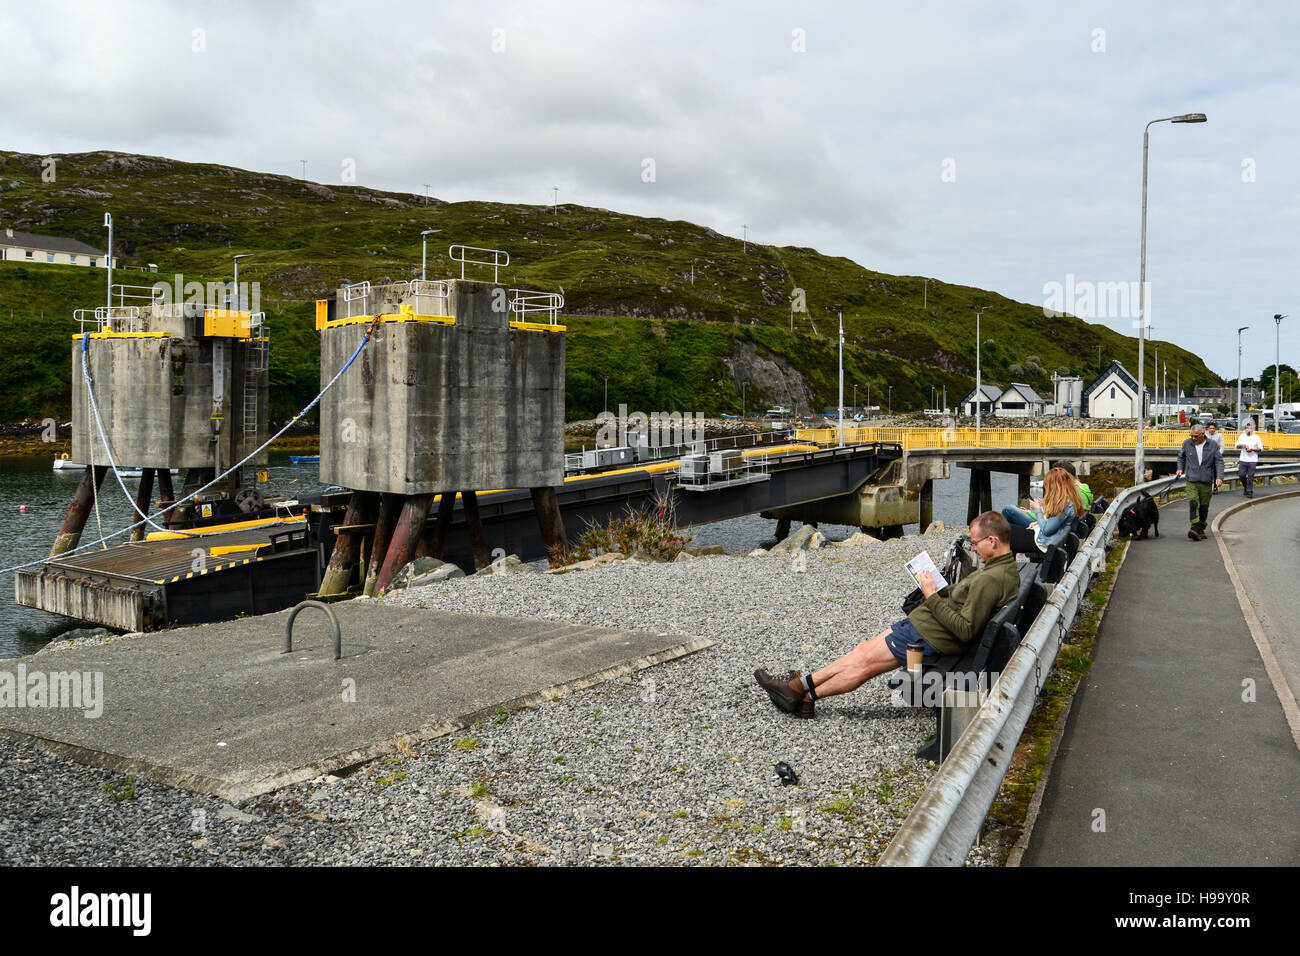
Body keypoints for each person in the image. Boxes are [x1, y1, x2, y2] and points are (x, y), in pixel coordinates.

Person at [753, 511, 1020, 718]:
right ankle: (802, 692)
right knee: (862, 652)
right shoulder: (1006, 571)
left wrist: (931, 594)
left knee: (864, 662)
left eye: (975, 543)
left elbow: (964, 629)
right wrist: (942, 591)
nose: (973, 548)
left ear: (992, 541)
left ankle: (800, 690)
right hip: (928, 630)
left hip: (929, 637)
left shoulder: (991, 579)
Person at [999, 467, 1082, 556]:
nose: (1046, 488)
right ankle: (1009, 562)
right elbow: (1053, 521)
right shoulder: (1069, 500)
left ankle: (1005, 565)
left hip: (1043, 542)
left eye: (1048, 485)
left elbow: (1046, 530)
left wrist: (1037, 509)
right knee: (1005, 529)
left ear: (1055, 486)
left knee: (1001, 531)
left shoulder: (1064, 505)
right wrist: (1044, 505)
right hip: (1051, 540)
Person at [1175, 423, 1224, 540]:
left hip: (1206, 480)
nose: (1193, 438)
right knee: (1193, 503)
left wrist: (1219, 477)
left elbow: (1219, 461)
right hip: (1191, 479)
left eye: (1196, 436)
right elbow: (1181, 457)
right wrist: (1180, 468)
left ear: (1203, 434)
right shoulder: (1187, 443)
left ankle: (1200, 529)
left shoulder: (1212, 445)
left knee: (1203, 508)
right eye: (1192, 436)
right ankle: (1195, 527)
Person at [1234, 419, 1263, 497]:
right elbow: (1236, 445)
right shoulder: (1242, 436)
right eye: (1246, 428)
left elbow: (1260, 449)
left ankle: (1249, 491)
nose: (1248, 430)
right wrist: (1241, 445)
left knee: (1250, 476)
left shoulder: (1257, 437)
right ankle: (1245, 487)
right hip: (1243, 459)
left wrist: (1252, 449)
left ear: (1252, 428)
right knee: (1241, 475)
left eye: (1249, 428)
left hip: (1253, 459)